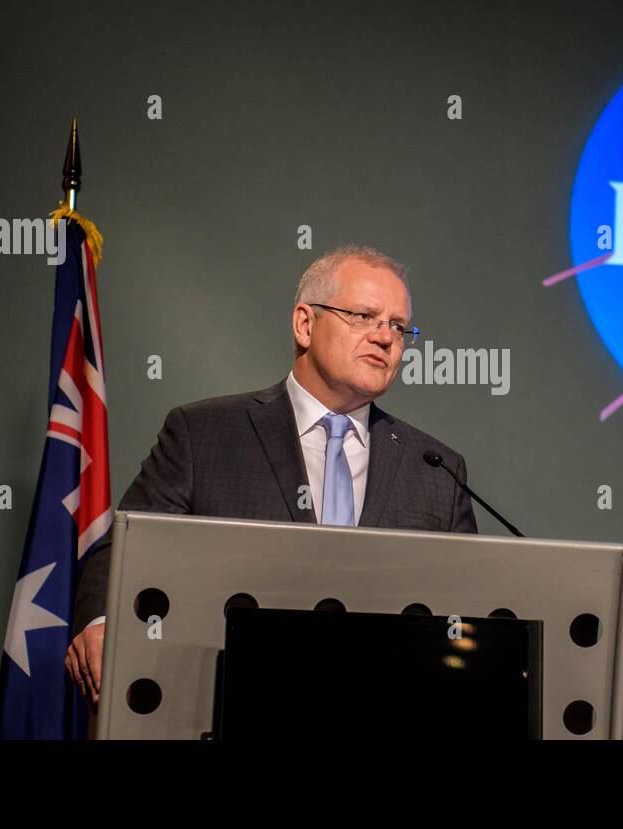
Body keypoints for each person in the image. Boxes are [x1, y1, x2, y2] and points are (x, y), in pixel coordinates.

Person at [65, 244, 478, 704]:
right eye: (364, 316)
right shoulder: (204, 434)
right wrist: (101, 625)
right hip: (224, 700)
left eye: (398, 327)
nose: (385, 337)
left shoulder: (437, 468)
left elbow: (468, 610)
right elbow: (125, 550)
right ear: (305, 323)